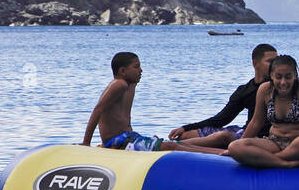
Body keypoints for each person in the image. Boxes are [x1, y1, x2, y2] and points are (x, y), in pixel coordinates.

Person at [83, 52, 221, 152]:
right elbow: (98, 110)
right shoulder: (119, 84)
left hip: (130, 137)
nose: (141, 70)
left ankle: (217, 153)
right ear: (123, 71)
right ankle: (222, 154)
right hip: (117, 142)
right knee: (170, 147)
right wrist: (86, 144)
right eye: (136, 67)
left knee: (169, 143)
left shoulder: (130, 84)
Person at [168, 43, 277, 148]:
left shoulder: (279, 87)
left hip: (260, 137)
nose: (274, 66)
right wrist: (185, 127)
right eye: (270, 62)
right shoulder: (244, 90)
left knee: (222, 136)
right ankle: (165, 146)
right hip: (244, 131)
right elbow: (221, 119)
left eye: (275, 62)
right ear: (255, 63)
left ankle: (167, 146)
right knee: (186, 134)